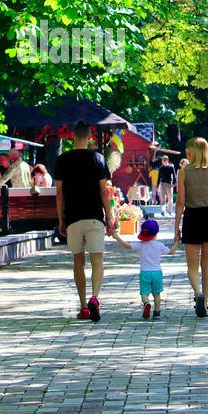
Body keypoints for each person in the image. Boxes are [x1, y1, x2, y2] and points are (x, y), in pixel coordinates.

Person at [54, 120, 116, 322]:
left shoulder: (62, 160)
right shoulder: (98, 158)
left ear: (73, 136)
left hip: (73, 218)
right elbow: (104, 191)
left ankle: (82, 306)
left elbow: (59, 194)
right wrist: (110, 216)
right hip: (94, 217)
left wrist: (61, 219)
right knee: (97, 261)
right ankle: (95, 298)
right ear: (90, 137)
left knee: (78, 261)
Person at [174, 137, 208, 318]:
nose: (186, 153)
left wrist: (176, 226)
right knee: (206, 264)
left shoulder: (184, 172)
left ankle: (197, 292)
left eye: (188, 150)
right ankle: (206, 302)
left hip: (192, 216)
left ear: (194, 151)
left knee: (192, 266)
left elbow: (180, 201)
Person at [109, 218, 168, 320]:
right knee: (157, 293)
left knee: (144, 292)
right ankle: (157, 312)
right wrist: (177, 242)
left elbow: (127, 246)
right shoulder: (159, 245)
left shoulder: (141, 245)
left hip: (144, 272)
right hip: (157, 272)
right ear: (156, 233)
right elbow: (171, 251)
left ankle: (146, 303)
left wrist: (117, 237)